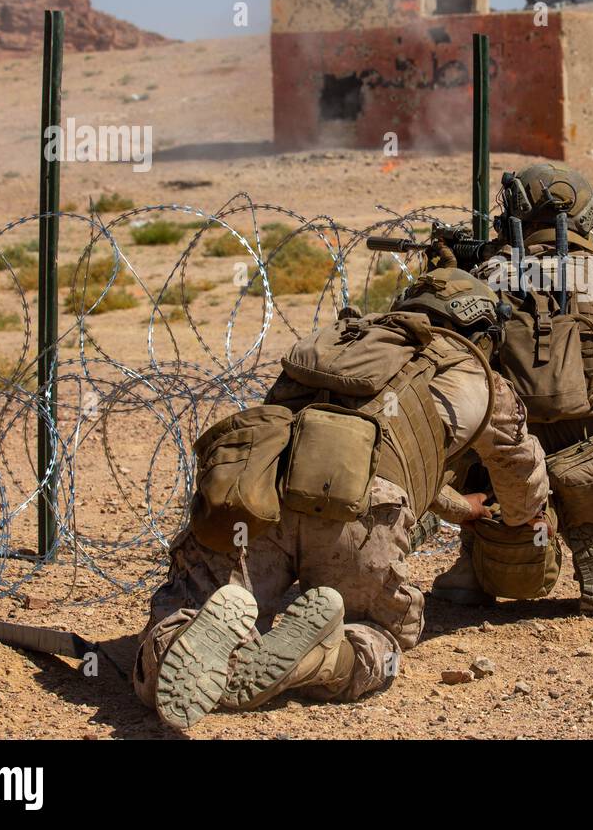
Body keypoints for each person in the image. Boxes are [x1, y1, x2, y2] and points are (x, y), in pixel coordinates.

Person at [133, 269, 554, 730]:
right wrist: (521, 522)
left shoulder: (341, 340)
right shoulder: (480, 378)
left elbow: (335, 436)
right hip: (360, 515)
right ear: (484, 332)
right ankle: (319, 658)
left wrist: (460, 507)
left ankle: (182, 642)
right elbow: (518, 478)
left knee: (182, 609)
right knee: (381, 636)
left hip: (257, 495)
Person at [431, 164, 593, 616]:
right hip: (582, 438)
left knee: (486, 470)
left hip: (505, 436)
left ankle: (477, 567)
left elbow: (465, 359)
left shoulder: (485, 272)